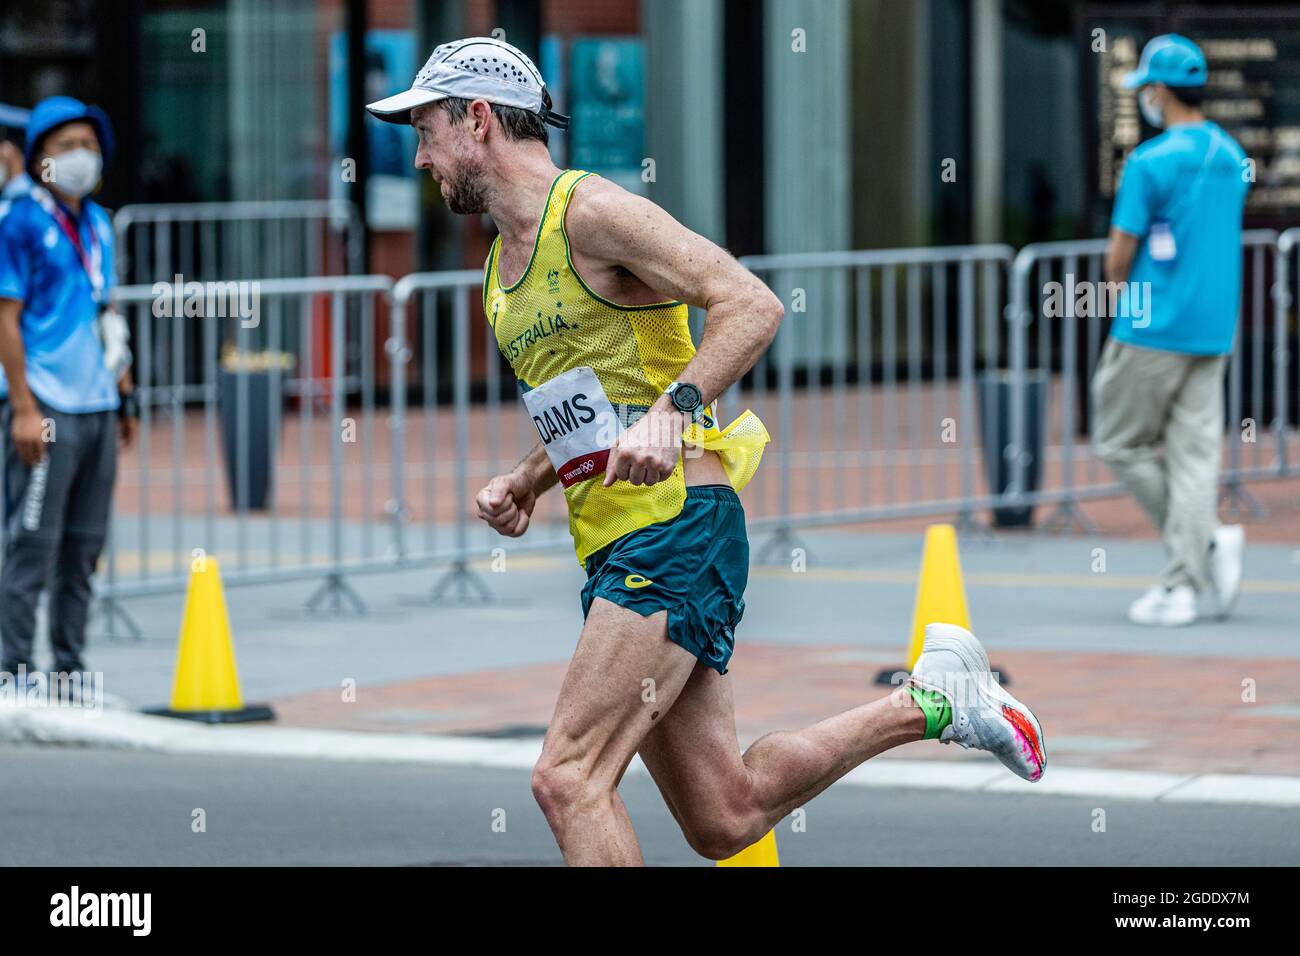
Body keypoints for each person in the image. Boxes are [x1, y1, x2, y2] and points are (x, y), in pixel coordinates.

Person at [369, 37, 1046, 865]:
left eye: (426, 128)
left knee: (568, 777)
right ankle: (937, 703)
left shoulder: (590, 212)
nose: (420, 153)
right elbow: (594, 405)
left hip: (677, 526)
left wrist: (676, 409)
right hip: (619, 540)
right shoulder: (499, 270)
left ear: (477, 120)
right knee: (727, 815)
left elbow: (749, 303)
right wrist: (528, 477)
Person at [1093, 35, 1249, 627]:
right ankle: (1186, 577)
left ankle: (1202, 549)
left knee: (1118, 439)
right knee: (1193, 455)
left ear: (1157, 91)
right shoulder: (1232, 154)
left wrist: (1114, 298)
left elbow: (1120, 251)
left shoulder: (1149, 161)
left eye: (1145, 90)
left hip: (1151, 323)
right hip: (1213, 327)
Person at [0, 96, 137, 698]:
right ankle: (11, 671)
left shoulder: (100, 223)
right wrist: (24, 408)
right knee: (33, 544)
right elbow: (5, 319)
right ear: (38, 161)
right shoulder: (20, 222)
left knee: (84, 546)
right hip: (46, 405)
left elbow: (106, 310)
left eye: (88, 144)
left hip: (97, 405)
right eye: (65, 147)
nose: (81, 156)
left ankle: (69, 668)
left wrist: (124, 391)